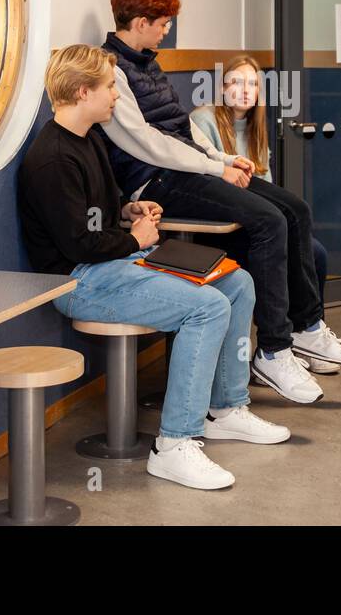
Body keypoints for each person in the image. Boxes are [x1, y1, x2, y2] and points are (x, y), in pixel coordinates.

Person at [17, 44, 289, 492]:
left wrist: (128, 210)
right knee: (206, 308)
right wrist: (135, 238)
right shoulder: (52, 157)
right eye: (109, 88)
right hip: (78, 280)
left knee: (237, 281)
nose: (116, 97)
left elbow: (97, 213)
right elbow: (77, 243)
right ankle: (174, 444)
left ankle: (226, 408)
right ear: (83, 92)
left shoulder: (88, 140)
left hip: (114, 259)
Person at [98, 0, 341, 405]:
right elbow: (145, 141)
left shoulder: (148, 61)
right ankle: (273, 351)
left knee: (296, 209)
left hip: (189, 169)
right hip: (155, 180)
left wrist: (223, 159)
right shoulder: (110, 67)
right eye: (162, 23)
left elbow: (181, 128)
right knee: (269, 221)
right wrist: (211, 167)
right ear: (141, 21)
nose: (167, 31)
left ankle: (307, 328)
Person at [188, 54, 339, 375]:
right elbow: (209, 185)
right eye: (237, 82)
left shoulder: (256, 126)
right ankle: (279, 345)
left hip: (255, 225)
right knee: (294, 251)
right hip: (218, 229)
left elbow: (265, 187)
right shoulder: (204, 119)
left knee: (316, 253)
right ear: (222, 86)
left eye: (253, 84)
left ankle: (303, 337)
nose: (245, 91)